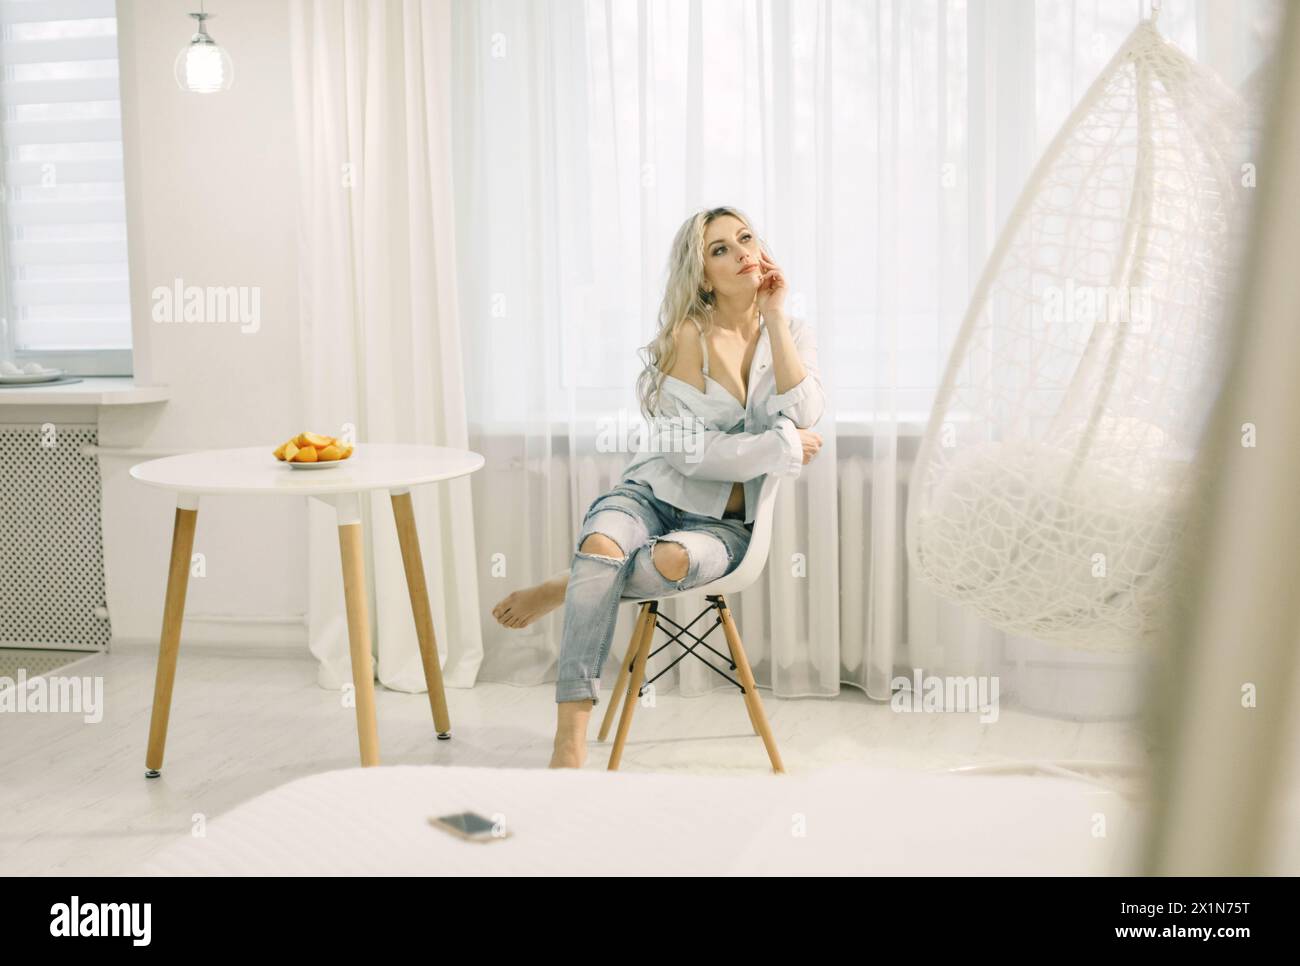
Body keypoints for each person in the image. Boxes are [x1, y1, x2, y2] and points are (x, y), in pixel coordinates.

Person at [492, 205, 825, 767]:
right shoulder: (686, 336)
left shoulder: (790, 331)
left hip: (723, 527)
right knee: (603, 544)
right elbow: (692, 457)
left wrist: (773, 316)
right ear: (701, 273)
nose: (742, 252)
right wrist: (781, 446)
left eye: (745, 239)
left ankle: (570, 583)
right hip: (651, 493)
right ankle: (569, 740)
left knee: (665, 562)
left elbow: (808, 409)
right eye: (720, 248)